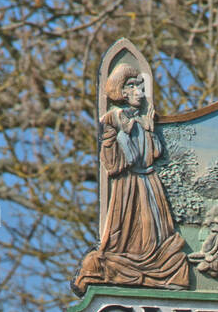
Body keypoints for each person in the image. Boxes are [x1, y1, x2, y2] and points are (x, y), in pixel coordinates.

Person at [74, 64, 189, 290]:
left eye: (141, 87)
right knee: (132, 233)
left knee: (158, 234)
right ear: (123, 92)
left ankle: (161, 269)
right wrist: (123, 133)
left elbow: (155, 153)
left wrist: (148, 128)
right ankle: (135, 269)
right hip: (129, 186)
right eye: (133, 86)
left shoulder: (144, 120)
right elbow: (113, 162)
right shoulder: (113, 119)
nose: (139, 92)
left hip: (150, 183)